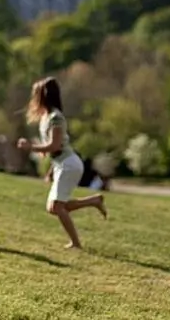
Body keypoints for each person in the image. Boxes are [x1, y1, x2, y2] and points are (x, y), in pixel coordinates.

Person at [17, 77, 106, 249]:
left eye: (36, 95)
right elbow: (55, 150)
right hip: (62, 164)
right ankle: (94, 201)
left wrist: (30, 147)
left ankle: (76, 243)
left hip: (69, 164)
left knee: (57, 207)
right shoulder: (47, 117)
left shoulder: (56, 118)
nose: (34, 99)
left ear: (44, 96)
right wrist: (51, 170)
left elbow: (55, 145)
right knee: (54, 207)